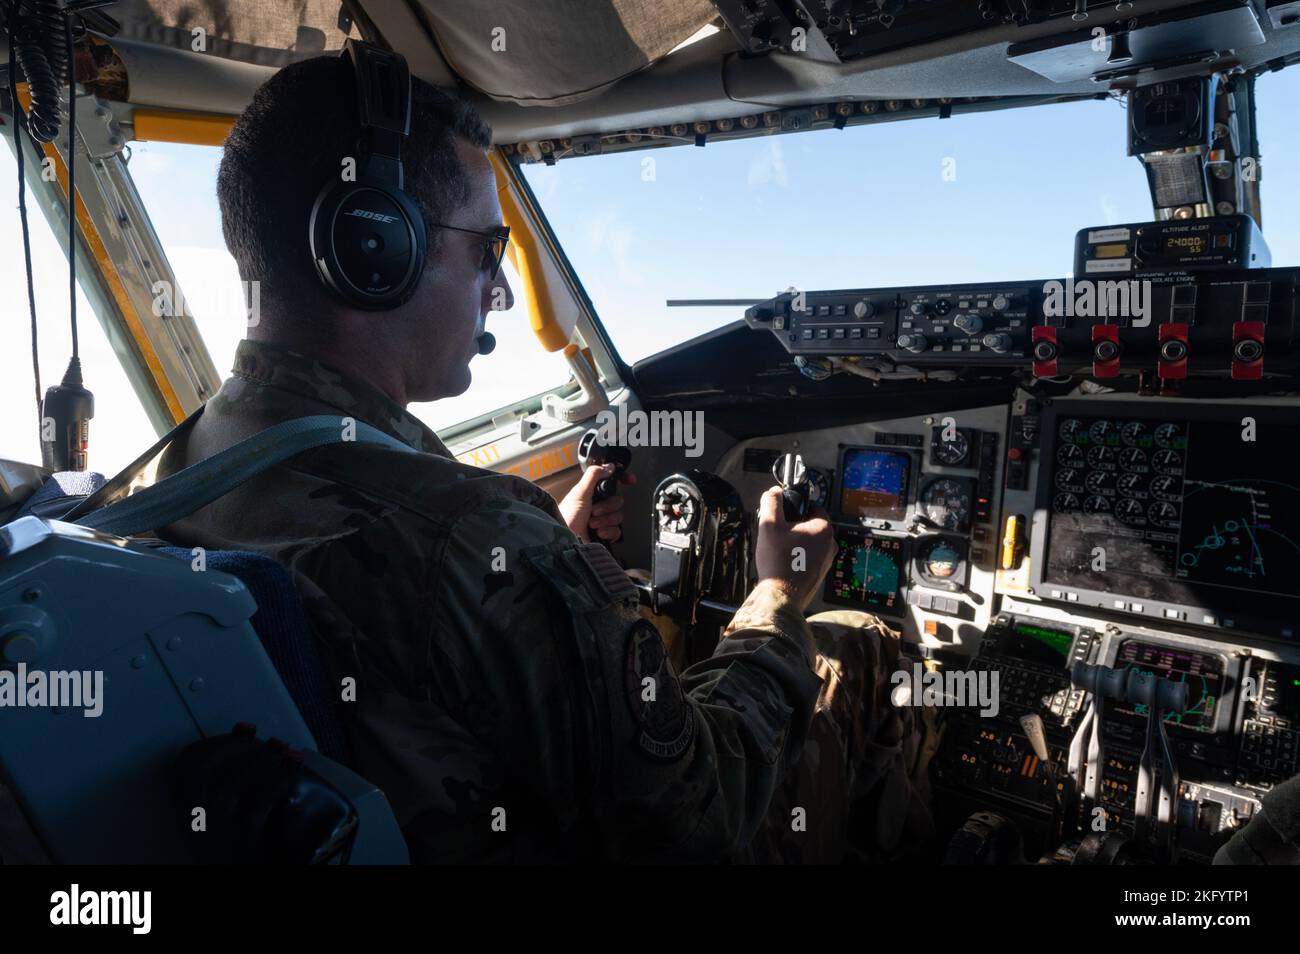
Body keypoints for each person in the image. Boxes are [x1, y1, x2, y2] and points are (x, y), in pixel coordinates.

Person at [157, 51, 932, 863]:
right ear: (374, 245)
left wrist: (544, 564)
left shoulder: (169, 472)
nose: (498, 290)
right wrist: (777, 593)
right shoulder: (468, 535)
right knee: (857, 639)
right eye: (487, 249)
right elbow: (698, 817)